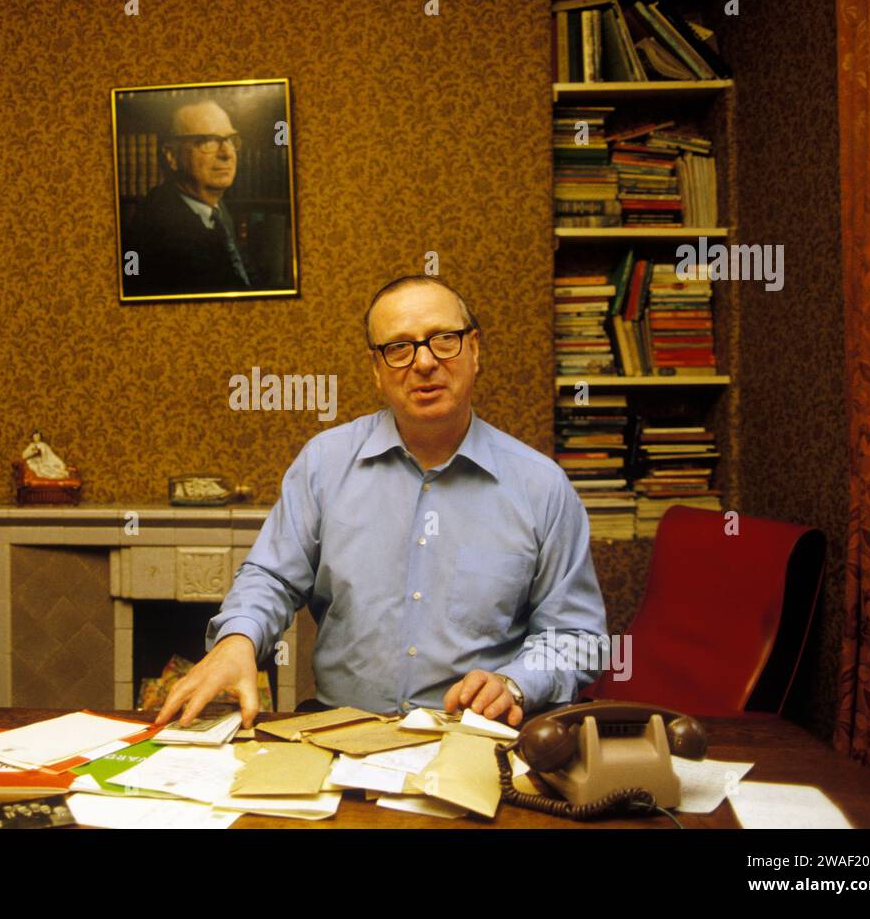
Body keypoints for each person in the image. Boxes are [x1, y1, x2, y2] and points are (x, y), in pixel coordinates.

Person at [155, 275, 609, 729]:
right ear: (376, 368)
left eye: (443, 340)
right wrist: (237, 640)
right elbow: (272, 576)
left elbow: (578, 636)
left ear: (474, 350)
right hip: (341, 733)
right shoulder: (324, 463)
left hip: (473, 740)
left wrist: (514, 684)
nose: (425, 362)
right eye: (399, 348)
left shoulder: (541, 486)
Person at [123, 99, 254, 297]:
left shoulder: (216, 209)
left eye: (229, 139)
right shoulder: (154, 229)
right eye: (208, 141)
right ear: (172, 157)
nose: (227, 153)